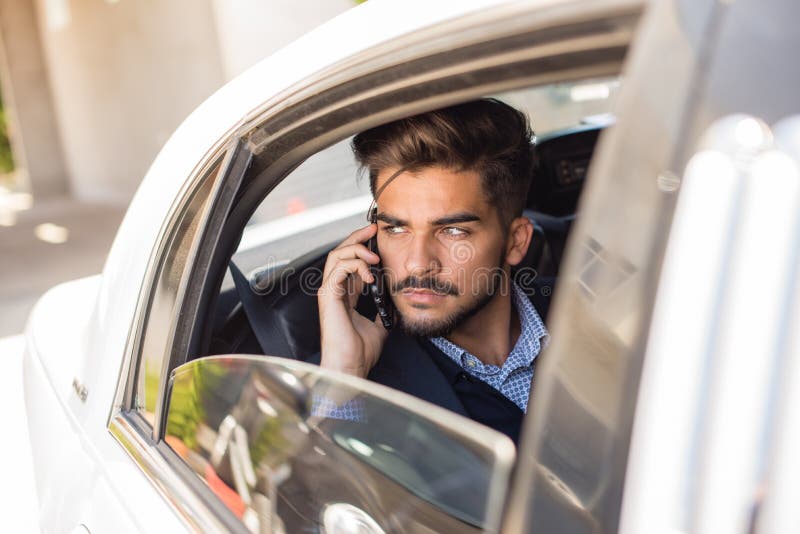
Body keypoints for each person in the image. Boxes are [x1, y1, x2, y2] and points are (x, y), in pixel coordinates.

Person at [314, 99, 550, 443]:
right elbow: (311, 489)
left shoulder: (595, 316)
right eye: (396, 229)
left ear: (516, 241)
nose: (417, 263)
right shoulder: (358, 384)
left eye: (452, 231)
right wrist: (341, 377)